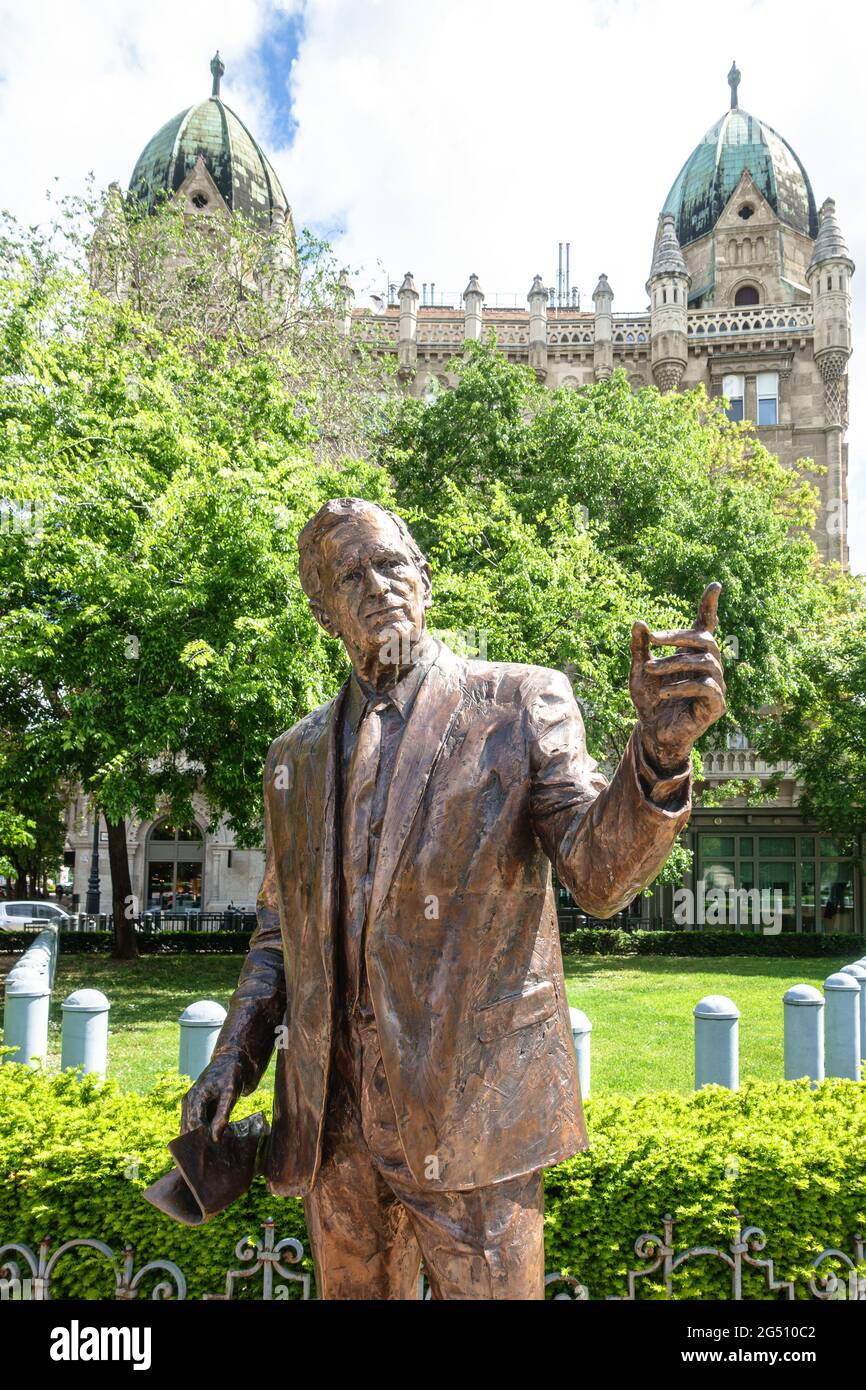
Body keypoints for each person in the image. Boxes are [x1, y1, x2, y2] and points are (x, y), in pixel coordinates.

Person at [181, 497, 725, 1299]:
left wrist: (661, 750)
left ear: (425, 580)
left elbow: (600, 875)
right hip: (336, 1134)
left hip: (475, 1122)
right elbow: (279, 934)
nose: (377, 587)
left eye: (391, 565)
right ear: (323, 609)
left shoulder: (519, 705)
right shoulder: (292, 755)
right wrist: (234, 1057)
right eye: (350, 576)